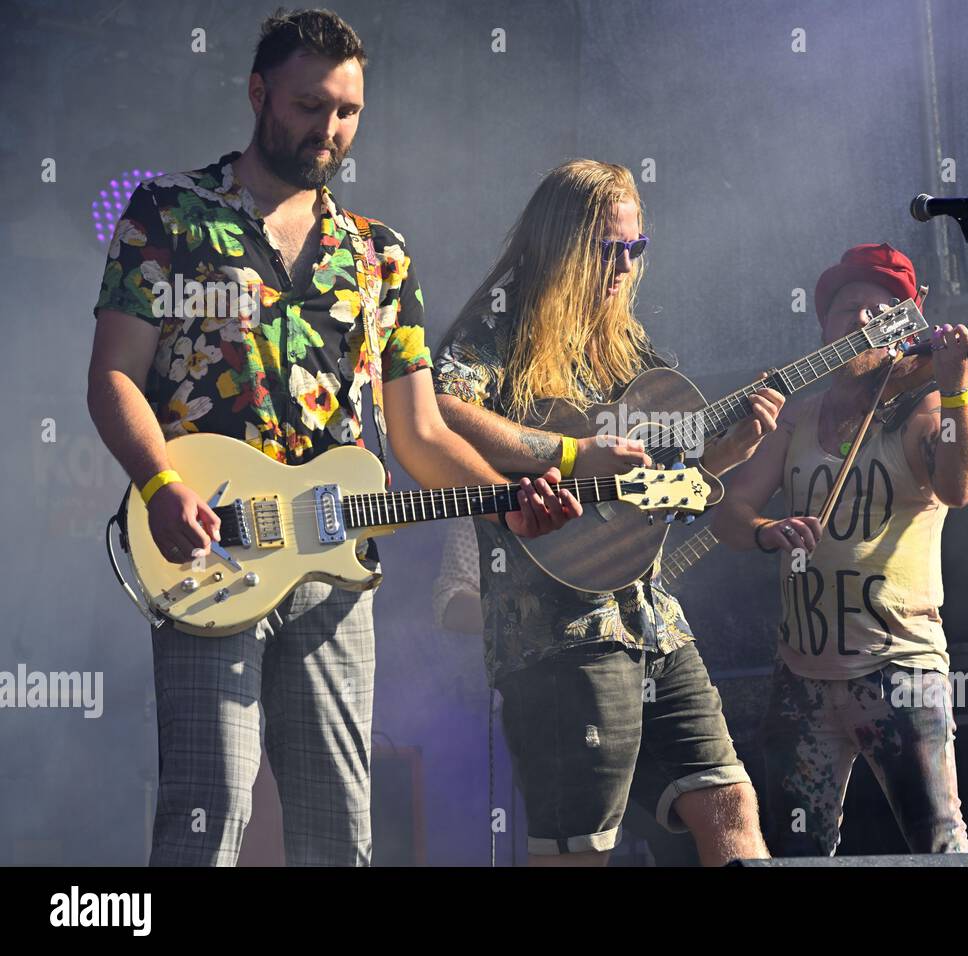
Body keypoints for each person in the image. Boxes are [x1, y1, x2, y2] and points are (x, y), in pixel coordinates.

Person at [87, 9, 575, 866]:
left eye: (347, 110)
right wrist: (161, 486)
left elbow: (418, 432)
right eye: (312, 105)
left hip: (337, 568)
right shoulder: (169, 214)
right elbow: (114, 377)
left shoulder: (377, 253)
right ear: (257, 93)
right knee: (207, 816)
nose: (331, 129)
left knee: (337, 831)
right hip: (210, 547)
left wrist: (504, 506)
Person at [432, 159, 782, 865]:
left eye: (635, 249)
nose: (623, 266)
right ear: (560, 241)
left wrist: (724, 456)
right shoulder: (502, 323)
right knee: (582, 848)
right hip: (557, 631)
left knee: (728, 803)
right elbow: (441, 410)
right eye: (606, 249)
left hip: (651, 617)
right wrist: (569, 455)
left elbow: (662, 489)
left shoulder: (628, 343)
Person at [711, 242, 968, 856]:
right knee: (794, 853)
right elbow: (729, 511)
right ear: (825, 328)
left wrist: (957, 391)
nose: (860, 321)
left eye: (878, 310)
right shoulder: (798, 419)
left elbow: (960, 486)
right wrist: (765, 531)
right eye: (847, 309)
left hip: (900, 670)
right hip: (802, 675)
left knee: (938, 845)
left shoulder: (922, 410)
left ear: (904, 325)